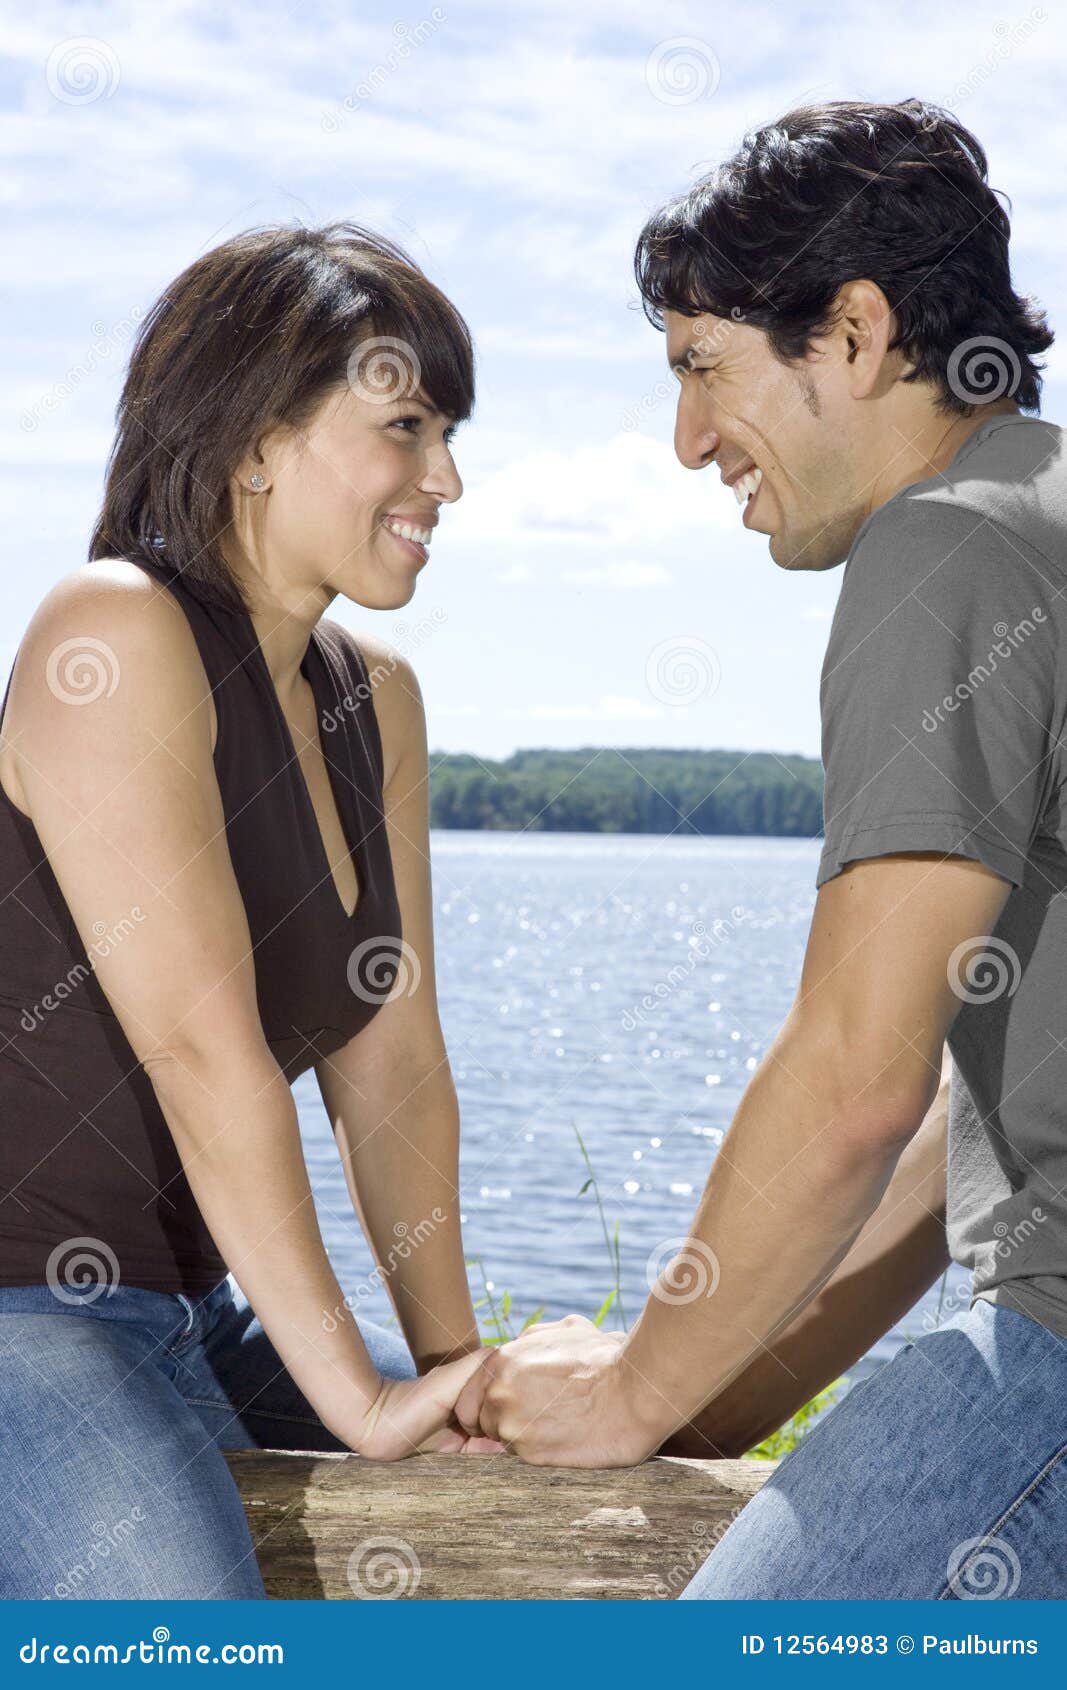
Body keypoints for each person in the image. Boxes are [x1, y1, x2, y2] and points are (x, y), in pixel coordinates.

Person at [455, 98, 1067, 1600]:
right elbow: (968, 1132)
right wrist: (696, 1387)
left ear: (853, 336)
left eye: (703, 367)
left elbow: (853, 1081)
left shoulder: (946, 546)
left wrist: (629, 1390)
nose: (684, 443)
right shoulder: (1038, 511)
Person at [0, 221, 501, 1601]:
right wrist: (356, 1393)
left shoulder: (374, 699)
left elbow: (393, 1072)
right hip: (23, 1312)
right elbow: (202, 1048)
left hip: (198, 1312)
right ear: (257, 440)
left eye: (450, 433)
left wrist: (448, 1374)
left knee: (502, 1535)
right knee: (191, 1629)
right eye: (405, 425)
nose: (446, 477)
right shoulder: (110, 633)